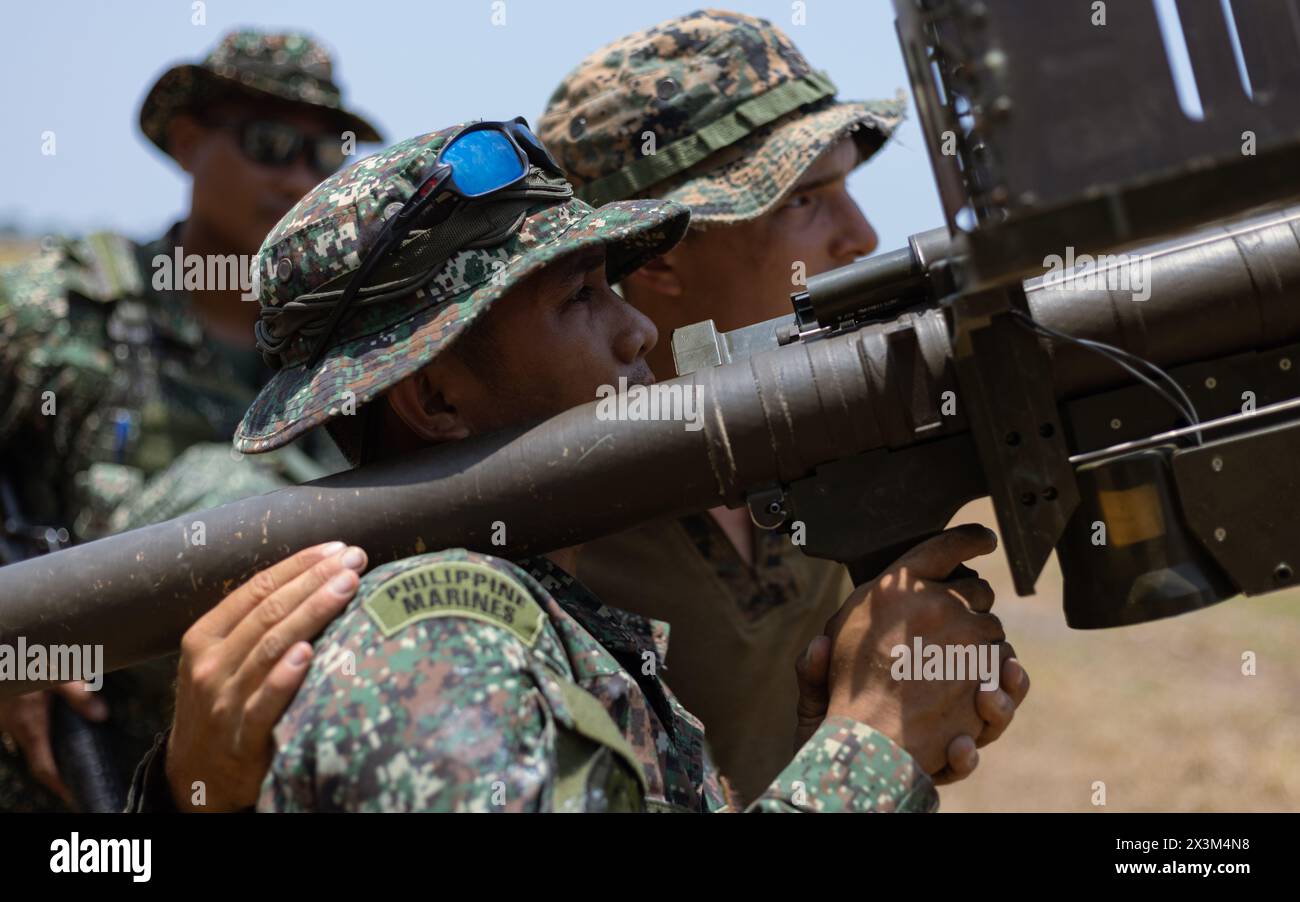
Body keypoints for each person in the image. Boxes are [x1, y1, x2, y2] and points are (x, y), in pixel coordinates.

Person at [128, 118, 1026, 812]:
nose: (638, 332)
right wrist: (869, 742)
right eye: (582, 300)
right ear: (437, 400)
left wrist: (823, 740)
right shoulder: (437, 642)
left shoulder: (534, 617)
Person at [536, 9, 1013, 800]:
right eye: (803, 201)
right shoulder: (558, 524)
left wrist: (896, 727)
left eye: (849, 187)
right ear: (656, 257)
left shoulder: (824, 427)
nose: (859, 234)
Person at [0, 28, 382, 811]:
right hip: (74, 772)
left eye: (325, 156)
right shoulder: (61, 308)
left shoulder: (356, 354)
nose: (300, 178)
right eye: (271, 143)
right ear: (187, 142)